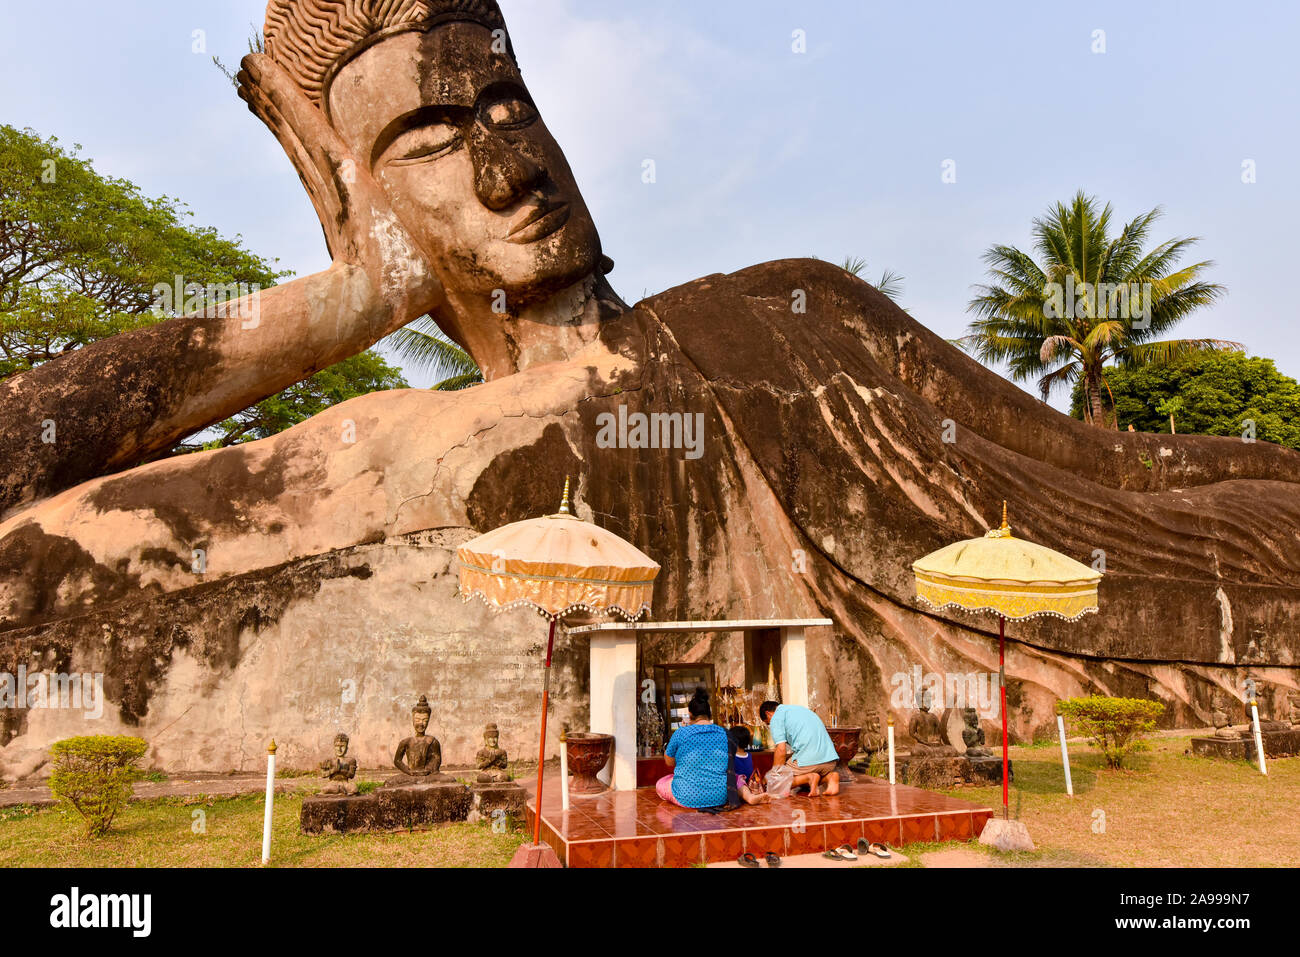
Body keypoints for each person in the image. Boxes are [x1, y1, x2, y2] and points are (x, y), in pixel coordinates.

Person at [657, 688, 731, 809]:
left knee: (662, 782)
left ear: (690, 714)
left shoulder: (681, 733)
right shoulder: (724, 733)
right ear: (709, 714)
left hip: (686, 797)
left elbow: (669, 762)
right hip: (720, 796)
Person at [760, 700, 840, 797]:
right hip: (830, 761)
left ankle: (809, 778)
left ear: (768, 714)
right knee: (804, 776)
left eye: (767, 723)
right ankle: (830, 777)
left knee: (776, 783)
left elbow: (781, 750)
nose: (769, 725)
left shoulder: (776, 717)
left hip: (810, 760)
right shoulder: (800, 709)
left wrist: (773, 776)